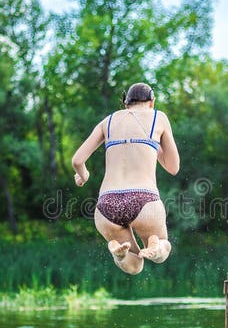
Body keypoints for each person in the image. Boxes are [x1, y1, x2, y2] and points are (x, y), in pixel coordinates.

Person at [71, 82, 180, 275]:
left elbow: (77, 160)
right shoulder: (158, 117)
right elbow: (173, 167)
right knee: (164, 247)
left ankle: (118, 254)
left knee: (135, 267)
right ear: (152, 102)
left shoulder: (109, 121)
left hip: (107, 205)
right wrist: (153, 144)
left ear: (125, 103)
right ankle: (156, 246)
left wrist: (83, 175)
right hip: (144, 199)